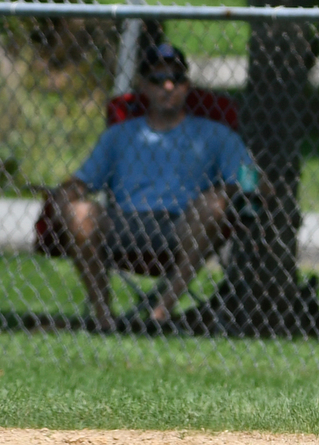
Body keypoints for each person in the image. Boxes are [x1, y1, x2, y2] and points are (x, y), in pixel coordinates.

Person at [52, 42, 255, 333]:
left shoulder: (215, 134)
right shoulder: (119, 135)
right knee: (81, 211)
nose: (168, 86)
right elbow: (83, 181)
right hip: (124, 222)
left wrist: (233, 192)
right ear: (143, 87)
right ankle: (104, 316)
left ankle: (161, 311)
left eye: (177, 78)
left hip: (184, 223)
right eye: (157, 80)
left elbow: (248, 179)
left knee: (214, 203)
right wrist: (66, 195)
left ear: (187, 86)